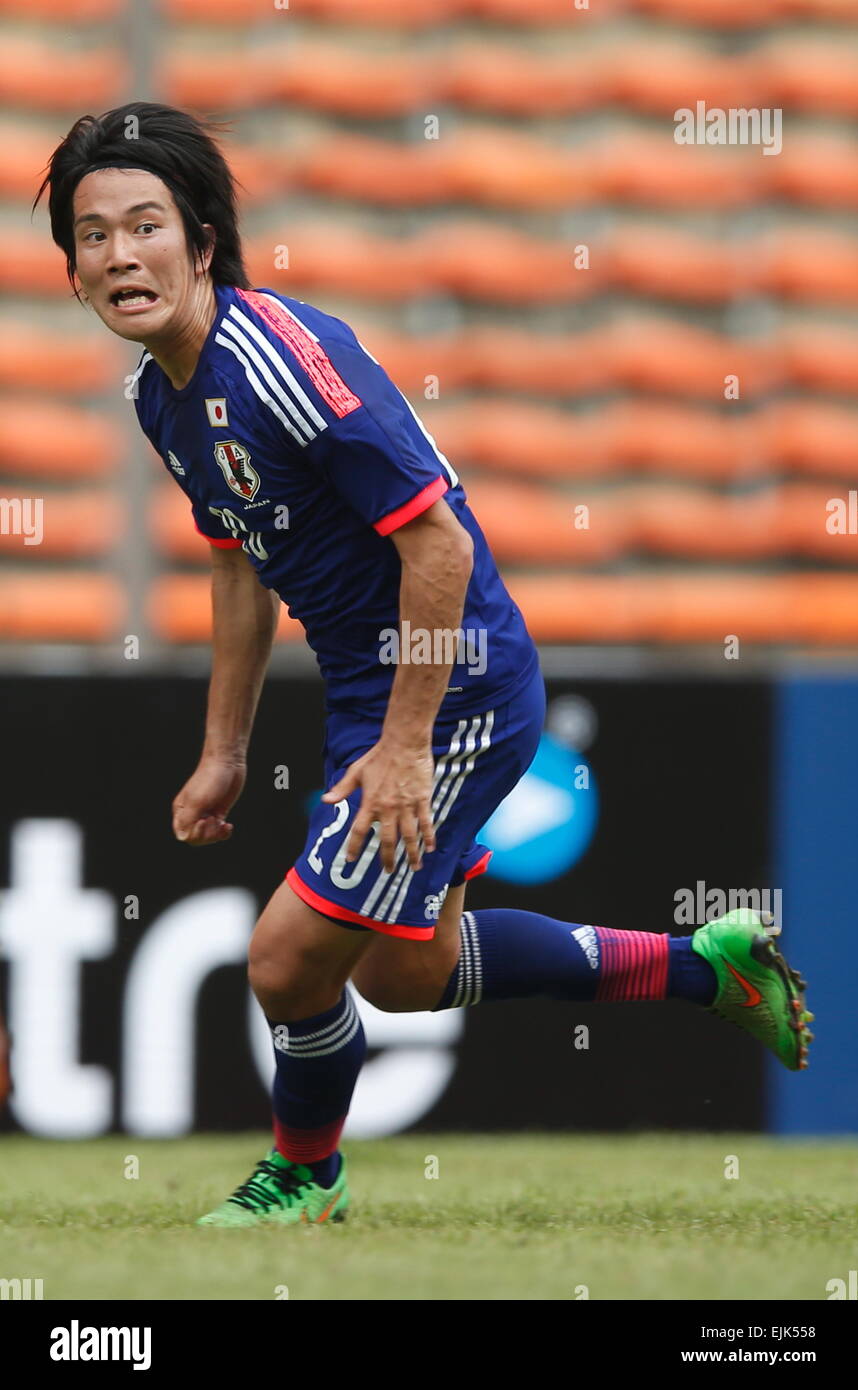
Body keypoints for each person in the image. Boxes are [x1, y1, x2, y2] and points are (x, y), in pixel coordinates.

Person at [34, 102, 812, 1227]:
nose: (119, 255)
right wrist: (223, 751)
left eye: (144, 225)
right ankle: (708, 968)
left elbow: (436, 539)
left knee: (284, 963)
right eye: (93, 236)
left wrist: (405, 747)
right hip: (380, 694)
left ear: (201, 242)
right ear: (72, 272)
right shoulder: (162, 395)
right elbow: (238, 566)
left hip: (452, 688)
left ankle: (305, 1174)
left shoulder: (278, 362)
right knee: (402, 974)